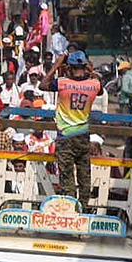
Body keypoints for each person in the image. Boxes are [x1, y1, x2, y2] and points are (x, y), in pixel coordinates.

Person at [41, 50, 102, 204]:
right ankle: (84, 206)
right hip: (82, 135)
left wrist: (56, 65)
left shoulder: (62, 83)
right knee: (84, 176)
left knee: (67, 177)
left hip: (65, 136)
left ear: (70, 66)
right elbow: (99, 86)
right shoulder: (94, 85)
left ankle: (70, 207)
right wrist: (90, 70)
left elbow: (43, 85)